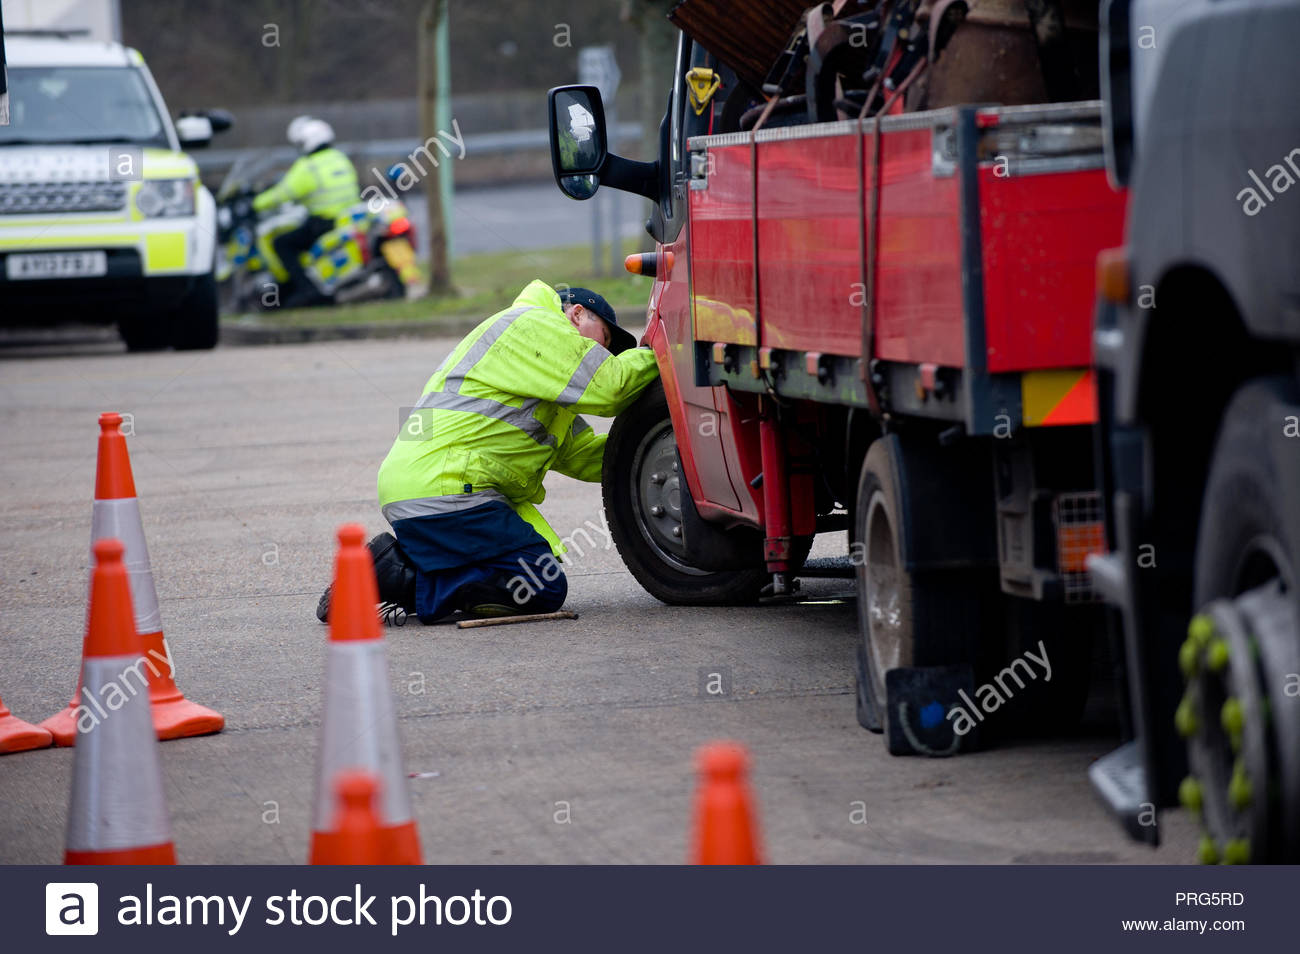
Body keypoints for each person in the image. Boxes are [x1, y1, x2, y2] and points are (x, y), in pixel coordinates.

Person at [316, 281, 660, 623]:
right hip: (447, 489)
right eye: (605, 340)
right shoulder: (537, 325)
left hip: (432, 487)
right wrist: (664, 353)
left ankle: (401, 564)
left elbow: (587, 455)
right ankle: (392, 576)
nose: (604, 352)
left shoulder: (543, 381)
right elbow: (611, 386)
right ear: (577, 314)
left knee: (529, 577)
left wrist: (663, 453)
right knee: (540, 585)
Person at [252, 117, 359, 306]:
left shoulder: (308, 166)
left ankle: (306, 289)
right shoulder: (340, 158)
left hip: (323, 222)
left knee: (281, 243)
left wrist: (257, 202)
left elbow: (283, 193)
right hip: (347, 220)